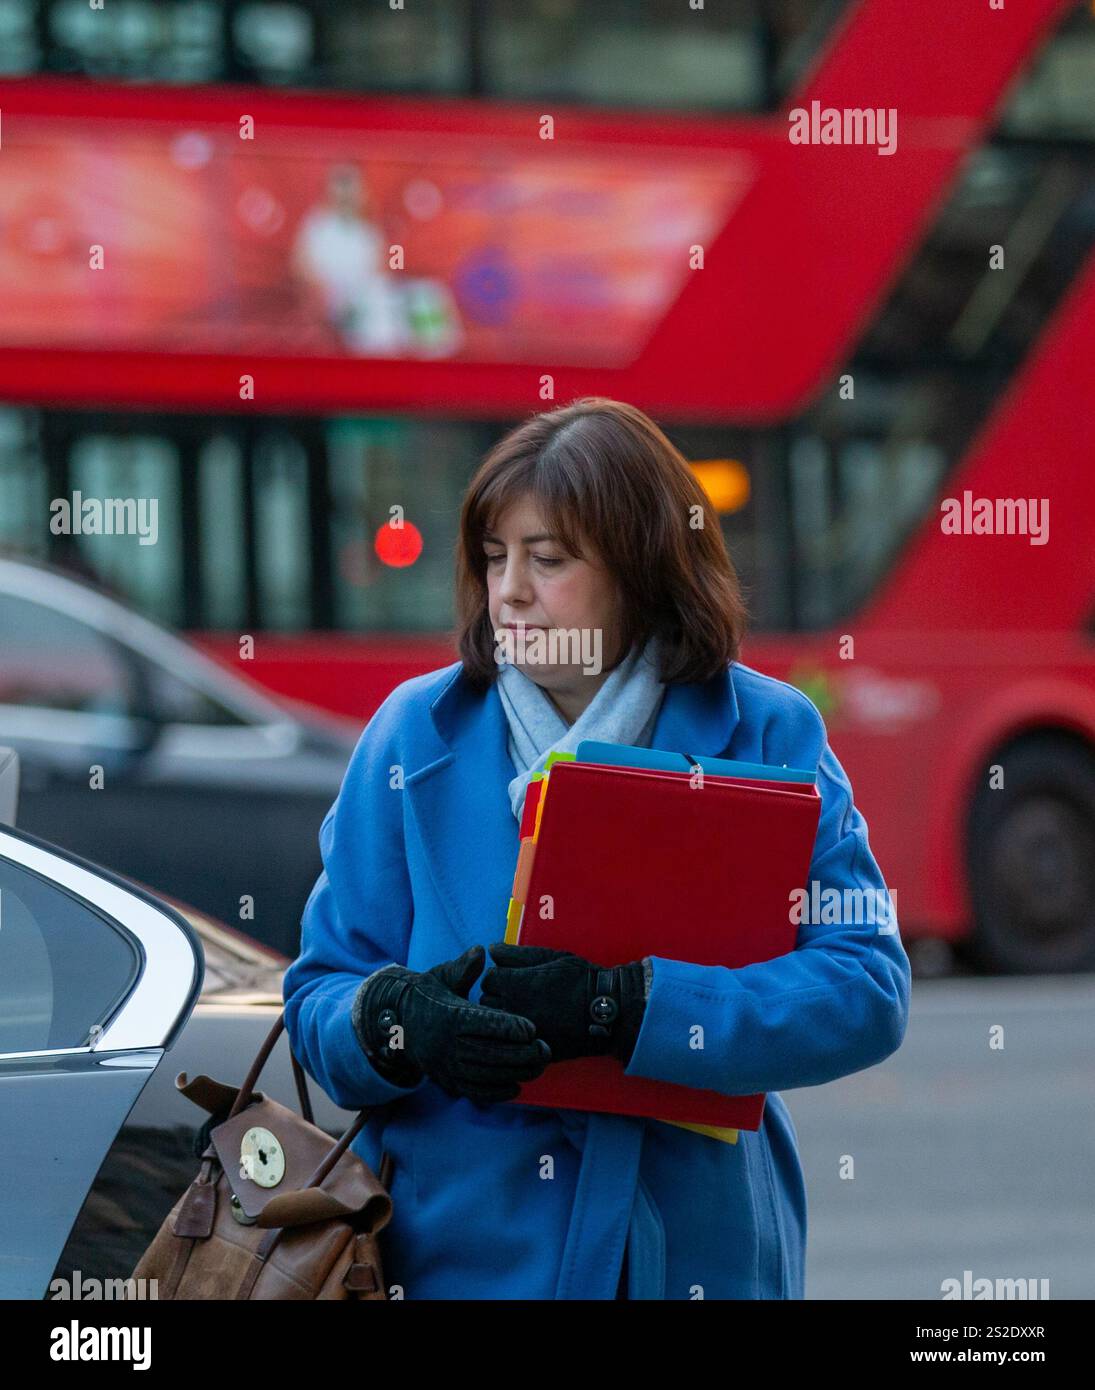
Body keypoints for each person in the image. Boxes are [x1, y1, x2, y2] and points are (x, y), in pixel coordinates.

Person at [282, 397, 911, 1300]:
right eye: (495, 557)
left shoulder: (769, 730)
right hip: (456, 1264)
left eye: (549, 559)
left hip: (700, 1260)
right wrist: (401, 1020)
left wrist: (629, 1007)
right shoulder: (411, 736)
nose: (509, 591)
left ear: (641, 568)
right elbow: (318, 998)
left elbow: (864, 989)